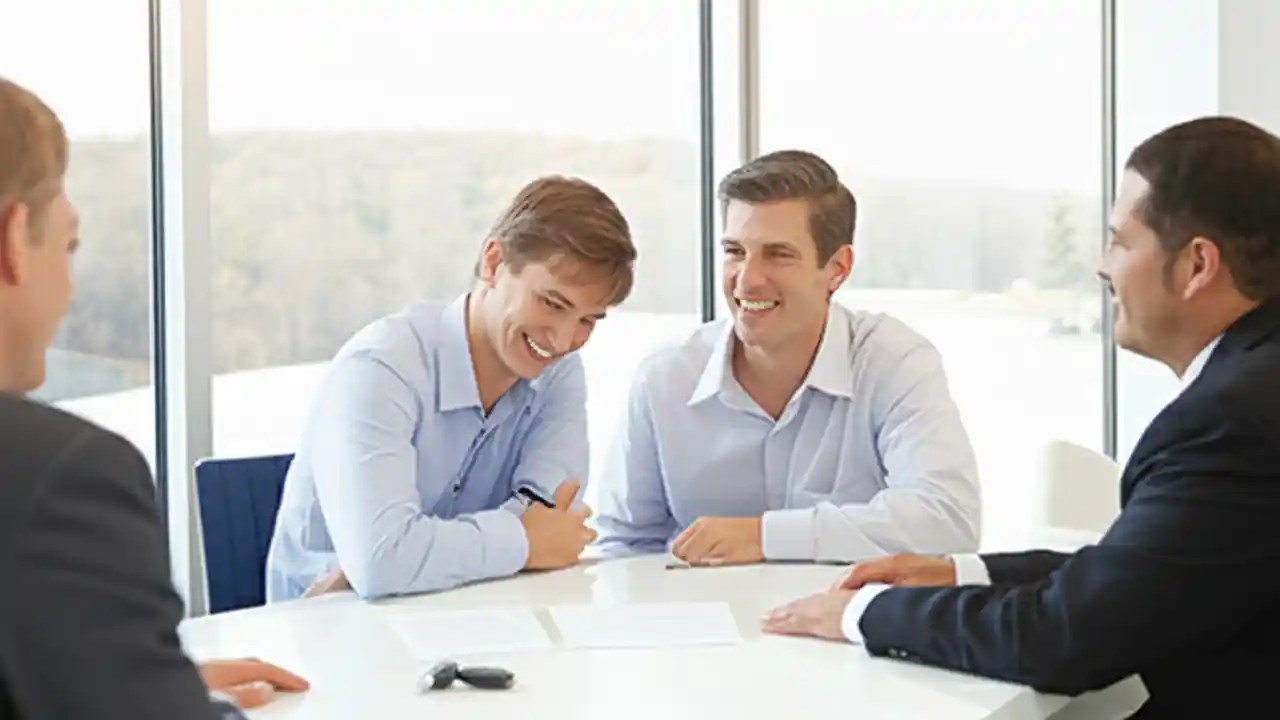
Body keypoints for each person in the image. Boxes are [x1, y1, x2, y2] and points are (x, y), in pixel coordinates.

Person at [761, 117, 1280, 719]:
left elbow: (1070, 636)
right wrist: (961, 572)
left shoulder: (1232, 421)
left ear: (1197, 266)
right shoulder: (1251, 390)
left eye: (1119, 241)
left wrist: (861, 613)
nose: (1102, 267)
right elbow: (1152, 571)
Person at [0, 77, 308, 718]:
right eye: (69, 245)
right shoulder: (60, 478)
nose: (71, 290)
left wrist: (113, 672)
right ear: (13, 239)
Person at [594, 150, 980, 566]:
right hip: (704, 625)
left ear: (836, 268)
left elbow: (948, 518)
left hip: (843, 625)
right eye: (735, 251)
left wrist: (763, 537)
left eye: (778, 254)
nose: (748, 279)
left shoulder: (894, 362)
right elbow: (624, 547)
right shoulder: (665, 377)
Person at [266, 175, 637, 600]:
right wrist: (523, 542)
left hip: (466, 616)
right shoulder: (381, 368)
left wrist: (417, 556)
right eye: (552, 304)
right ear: (493, 263)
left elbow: (555, 521)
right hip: (326, 626)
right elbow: (382, 564)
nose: (563, 339)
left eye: (588, 320)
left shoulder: (559, 372)